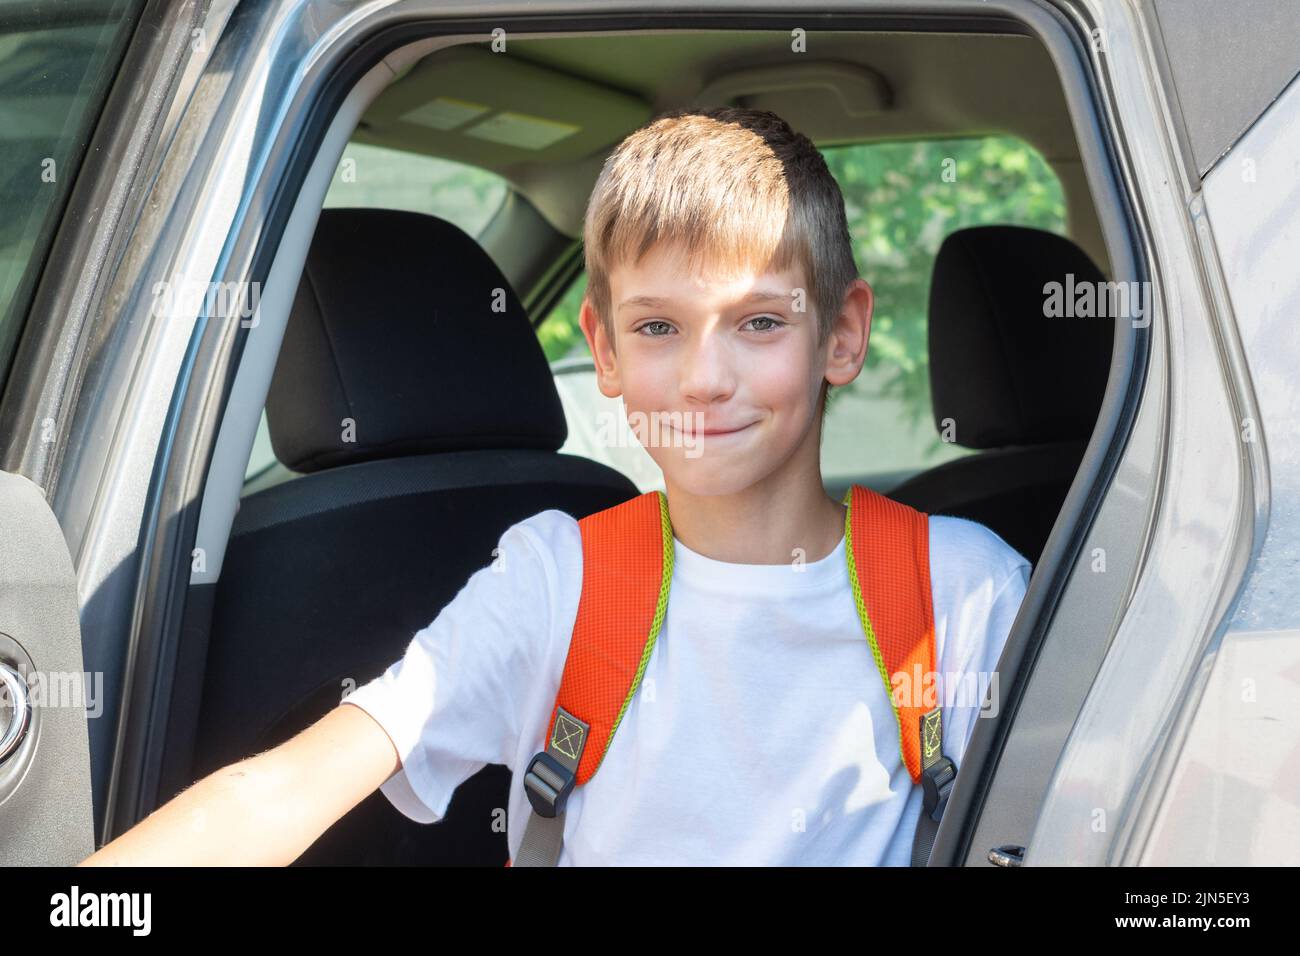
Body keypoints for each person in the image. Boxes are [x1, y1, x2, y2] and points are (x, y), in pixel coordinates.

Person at [80, 105, 1030, 867]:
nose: (704, 378)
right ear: (605, 350)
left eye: (757, 323)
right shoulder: (559, 584)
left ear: (843, 334)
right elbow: (280, 792)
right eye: (659, 327)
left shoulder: (962, 590)